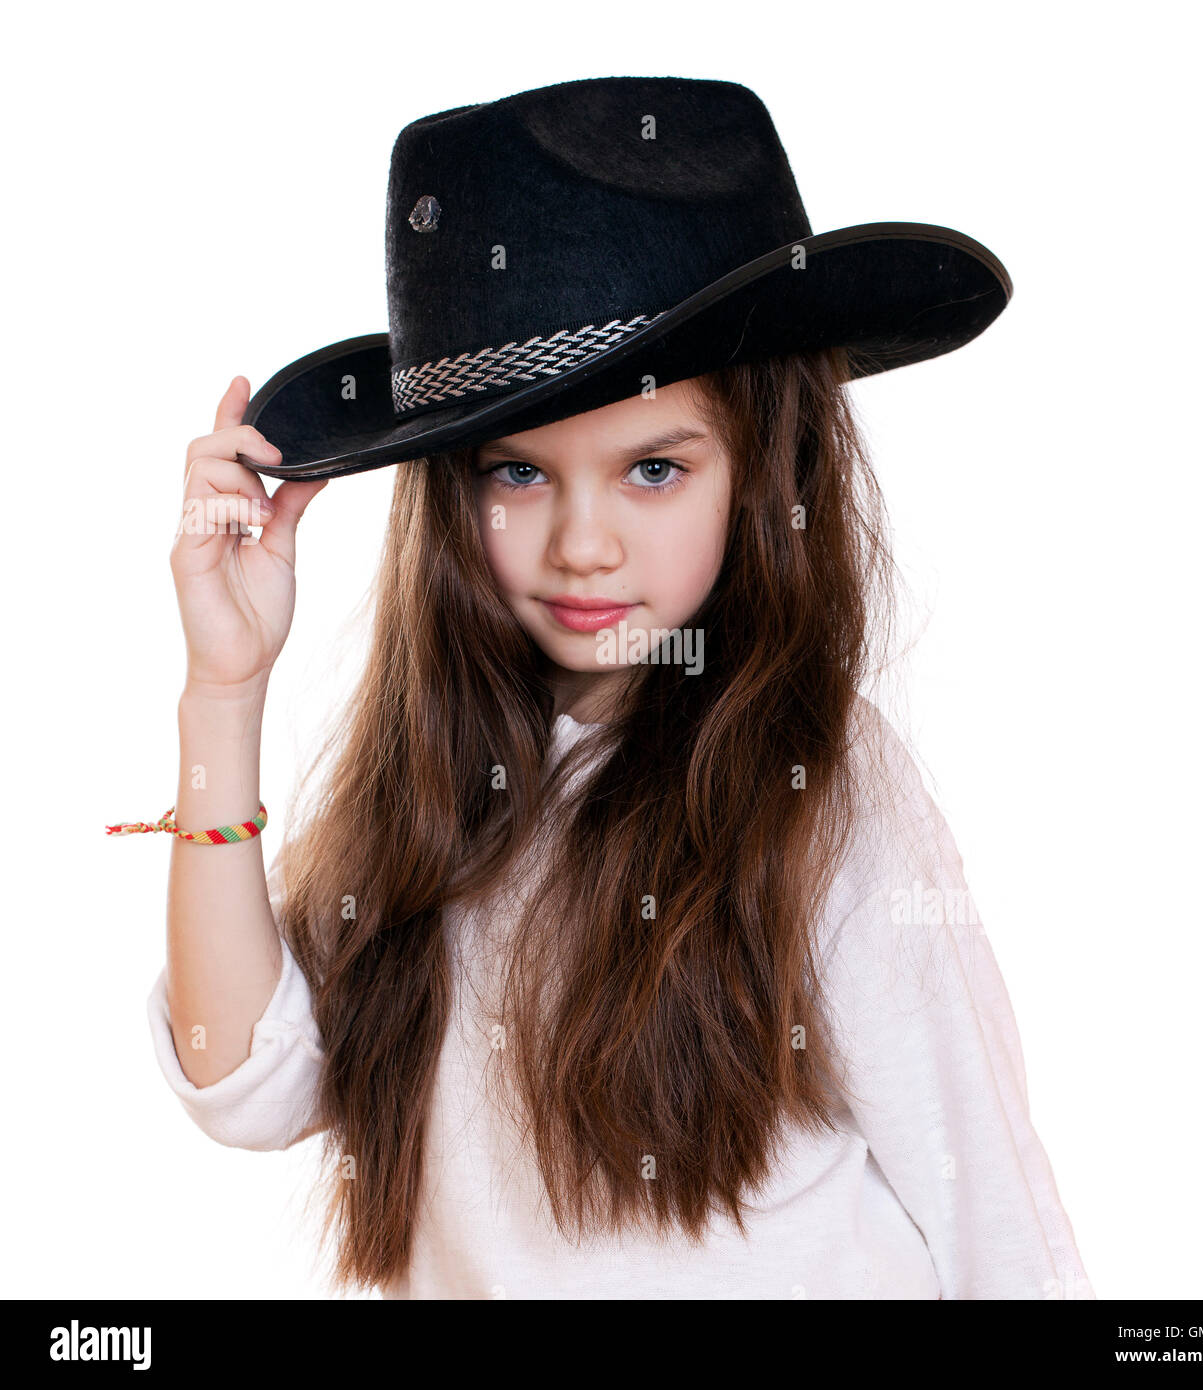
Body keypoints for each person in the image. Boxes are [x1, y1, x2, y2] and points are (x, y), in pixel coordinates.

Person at [125, 76, 1095, 1300]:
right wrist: (222, 694)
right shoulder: (437, 785)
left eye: (650, 467)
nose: (583, 544)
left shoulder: (823, 794)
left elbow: (994, 1227)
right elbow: (239, 1080)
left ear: (759, 466)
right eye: (518, 475)